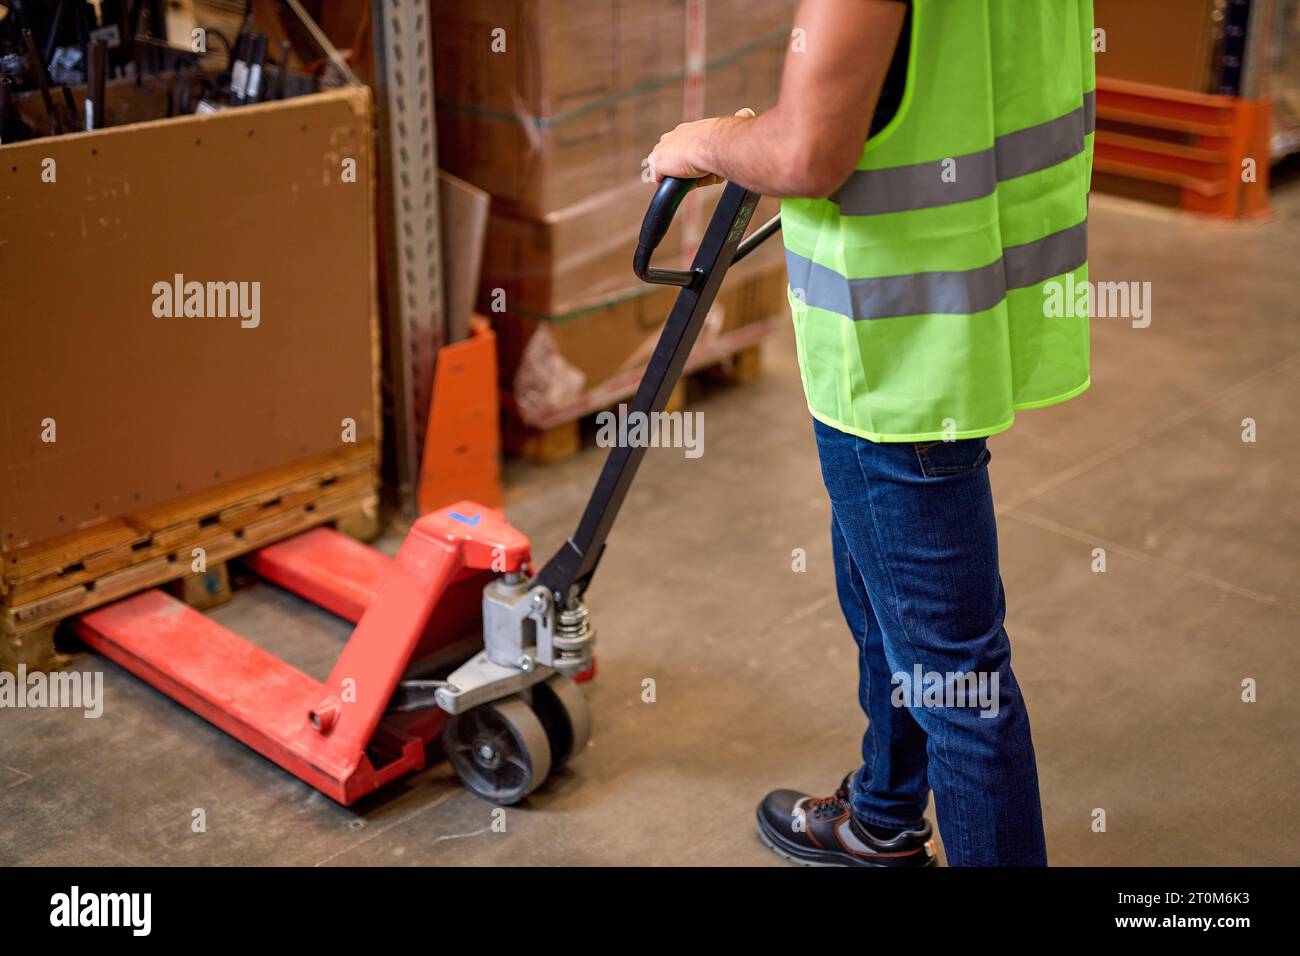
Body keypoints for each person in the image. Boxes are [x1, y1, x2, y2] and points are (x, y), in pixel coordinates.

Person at [647, 0, 1095, 866]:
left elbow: (808, 153)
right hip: (976, 302)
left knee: (957, 678)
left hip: (895, 343)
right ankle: (885, 815)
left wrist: (703, 140)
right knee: (884, 597)